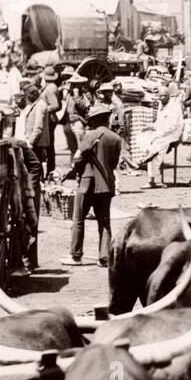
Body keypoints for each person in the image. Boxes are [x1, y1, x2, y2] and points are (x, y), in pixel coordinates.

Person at [61, 104, 122, 267]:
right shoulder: (115, 138)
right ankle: (105, 257)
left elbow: (77, 158)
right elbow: (114, 163)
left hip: (88, 182)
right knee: (104, 221)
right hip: (107, 184)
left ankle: (76, 255)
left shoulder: (90, 135)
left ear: (94, 119)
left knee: (79, 219)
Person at [145, 81, 184, 189]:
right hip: (162, 132)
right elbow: (159, 121)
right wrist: (151, 127)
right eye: (160, 96)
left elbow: (172, 126)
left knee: (158, 146)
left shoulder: (174, 107)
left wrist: (158, 134)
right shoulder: (161, 105)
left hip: (173, 134)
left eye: (164, 96)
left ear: (169, 96)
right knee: (148, 140)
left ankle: (154, 179)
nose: (162, 98)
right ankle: (151, 178)